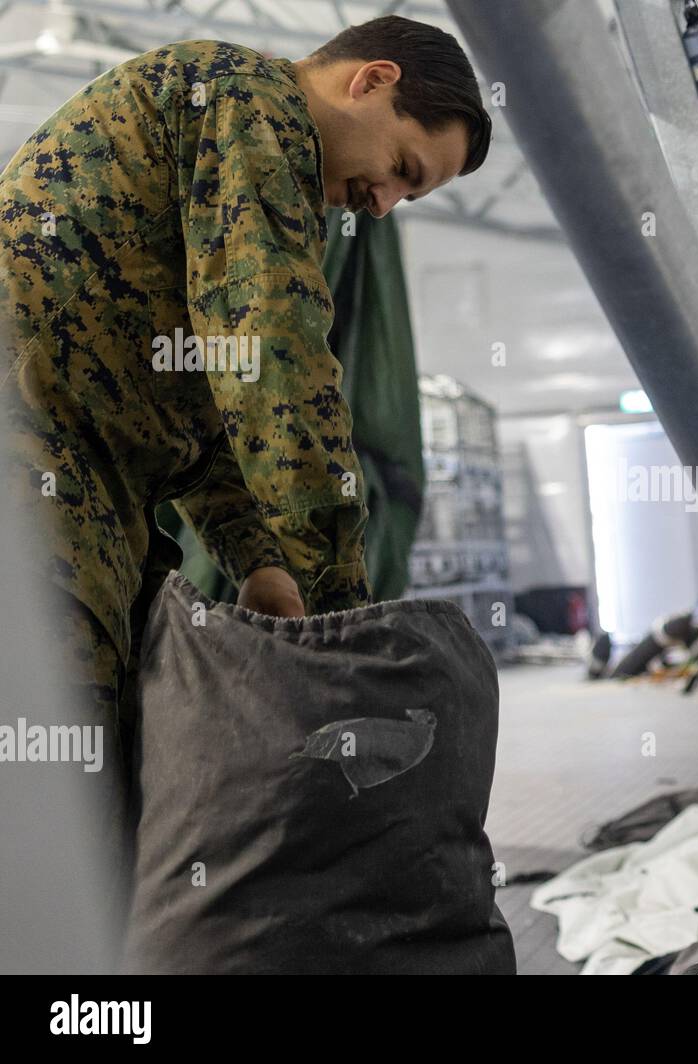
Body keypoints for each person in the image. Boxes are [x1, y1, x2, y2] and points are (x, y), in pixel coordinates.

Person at [0, 16, 491, 821]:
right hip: (35, 487)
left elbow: (203, 400)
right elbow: (275, 363)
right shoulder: (248, 101)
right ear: (372, 80)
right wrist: (346, 619)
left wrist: (262, 564)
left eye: (409, 195)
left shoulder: (231, 140)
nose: (383, 204)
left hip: (82, 492)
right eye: (403, 169)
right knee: (59, 802)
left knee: (102, 790)